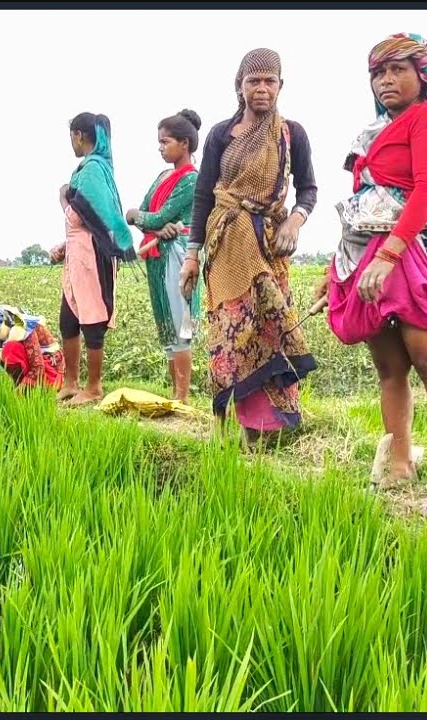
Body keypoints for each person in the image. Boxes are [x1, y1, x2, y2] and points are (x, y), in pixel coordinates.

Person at [310, 33, 427, 518]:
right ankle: (399, 464)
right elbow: (361, 210)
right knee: (389, 370)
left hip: (414, 256)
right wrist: (337, 271)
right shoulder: (375, 131)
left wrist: (389, 255)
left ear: (423, 75)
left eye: (398, 70)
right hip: (370, 259)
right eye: (378, 73)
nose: (386, 80)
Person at [180, 48, 318, 450]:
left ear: (280, 85)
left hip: (270, 243)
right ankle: (225, 424)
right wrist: (192, 254)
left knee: (270, 326)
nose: (261, 88)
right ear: (239, 86)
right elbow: (204, 196)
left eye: (269, 81)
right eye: (253, 81)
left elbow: (309, 188)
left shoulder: (291, 134)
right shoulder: (221, 134)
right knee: (229, 331)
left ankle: (268, 426)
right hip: (226, 243)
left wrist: (295, 220)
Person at [52, 112, 135, 406]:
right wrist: (64, 246)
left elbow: (82, 214)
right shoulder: (88, 168)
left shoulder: (93, 170)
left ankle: (93, 386)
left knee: (92, 320)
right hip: (77, 257)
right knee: (68, 319)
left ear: (78, 135)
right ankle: (71, 382)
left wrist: (63, 197)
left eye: (71, 137)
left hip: (92, 257)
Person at [125, 109, 203, 404]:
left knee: (181, 320)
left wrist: (142, 217)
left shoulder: (192, 180)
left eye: (165, 141)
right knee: (167, 323)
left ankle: (182, 397)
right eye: (159, 142)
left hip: (180, 255)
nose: (160, 147)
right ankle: (175, 394)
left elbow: (157, 216)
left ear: (184, 143)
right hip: (159, 253)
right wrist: (144, 217)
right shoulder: (163, 177)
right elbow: (145, 213)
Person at [0, 299, 65, 391]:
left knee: (10, 349)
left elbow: (38, 368)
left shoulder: (22, 328)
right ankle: (19, 384)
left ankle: (29, 388)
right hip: (28, 367)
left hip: (48, 369)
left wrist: (16, 395)